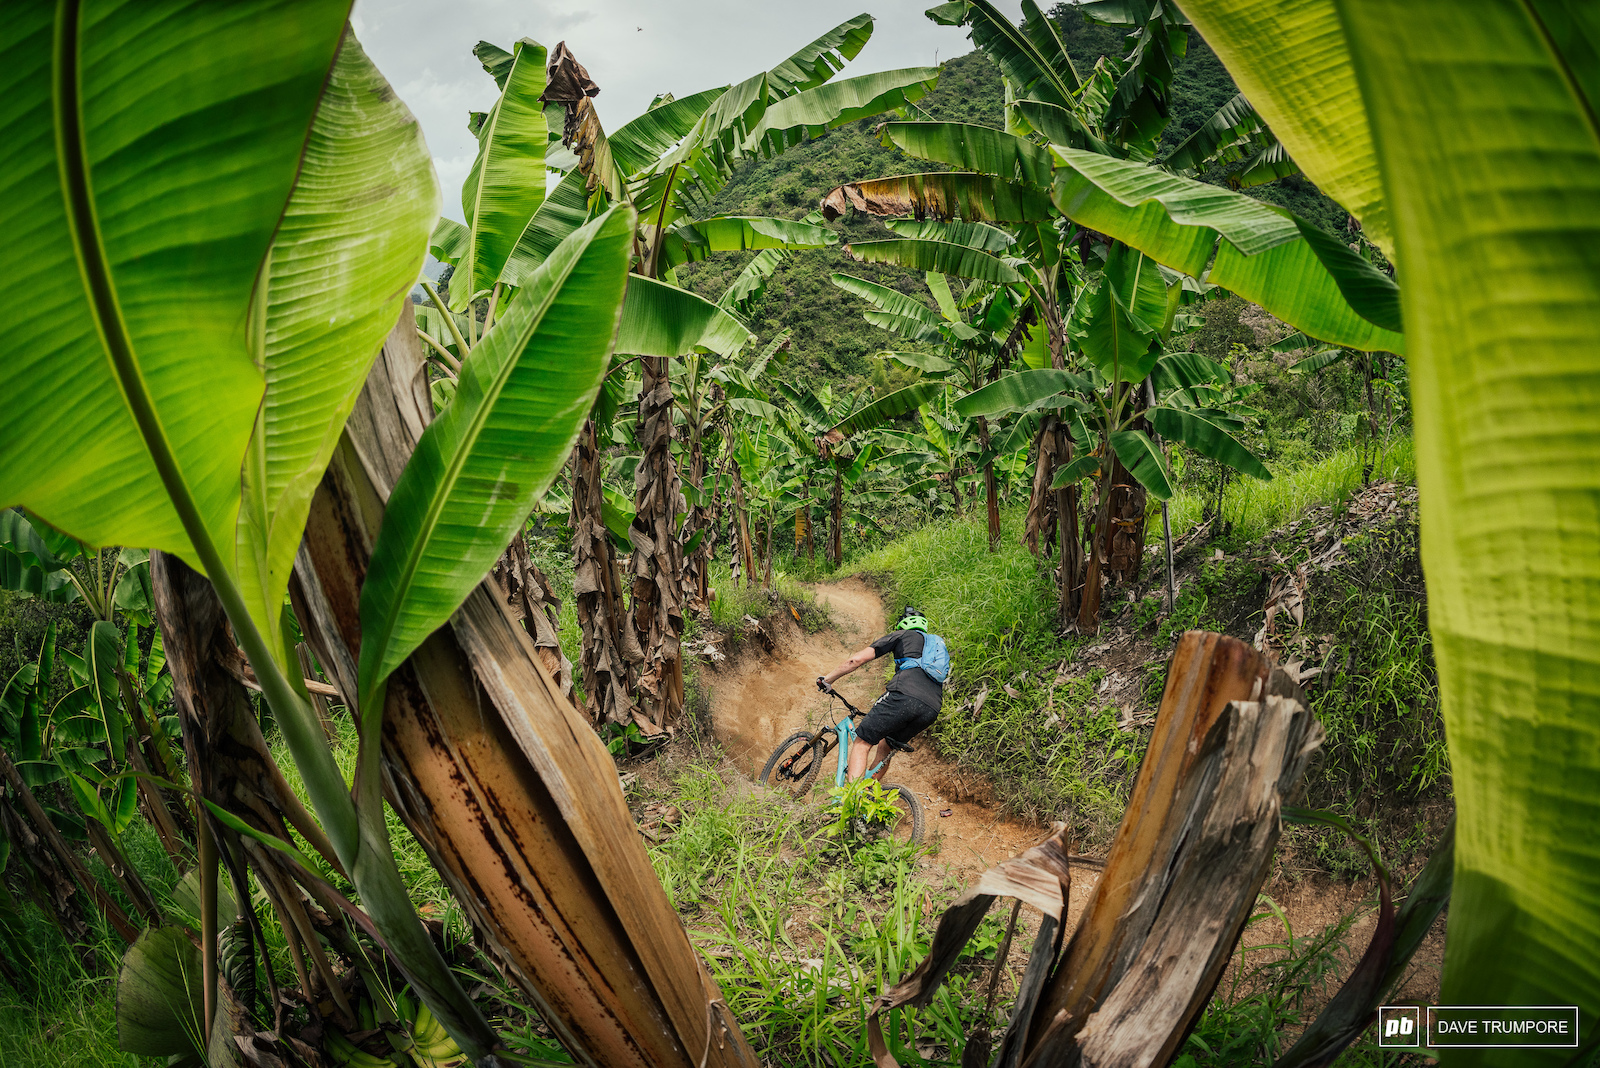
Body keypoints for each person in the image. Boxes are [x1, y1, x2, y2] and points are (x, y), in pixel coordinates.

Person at [817, 606, 947, 783]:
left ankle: (852, 796)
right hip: (932, 708)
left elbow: (855, 660)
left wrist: (828, 680)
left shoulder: (901, 635)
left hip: (904, 695)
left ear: (902, 625)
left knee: (862, 743)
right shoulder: (936, 646)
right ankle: (869, 791)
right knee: (885, 746)